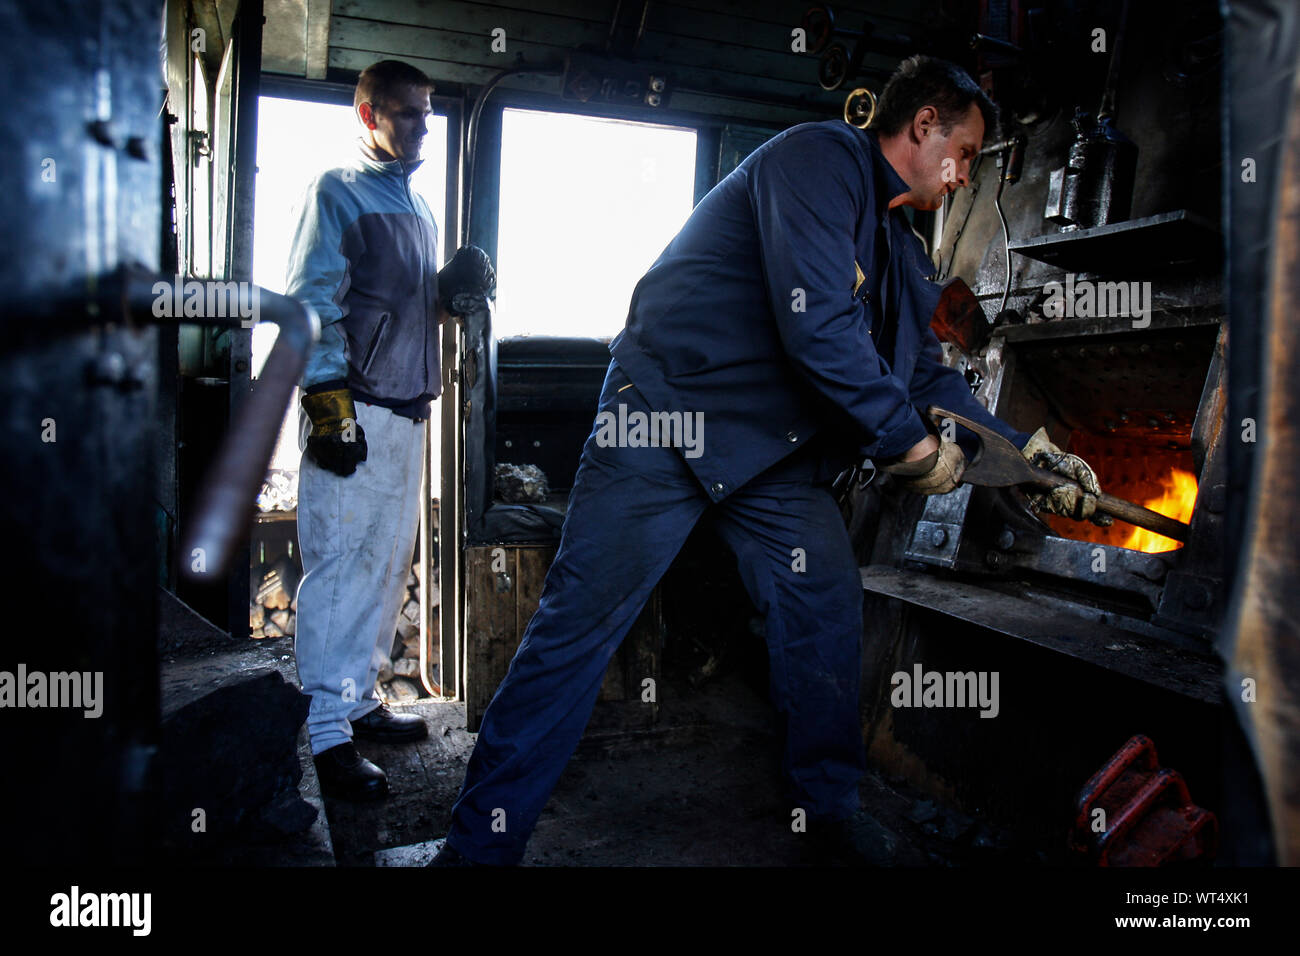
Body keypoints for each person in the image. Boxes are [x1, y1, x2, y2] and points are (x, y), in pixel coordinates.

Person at [431, 54, 1107, 864]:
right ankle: (477, 848)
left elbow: (924, 376)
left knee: (824, 605)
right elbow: (817, 327)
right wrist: (915, 452)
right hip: (664, 417)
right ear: (924, 125)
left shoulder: (901, 247)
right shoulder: (818, 162)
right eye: (963, 151)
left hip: (768, 456)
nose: (965, 175)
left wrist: (1030, 455)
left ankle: (827, 809)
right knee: (577, 628)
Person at [288, 59, 493, 801]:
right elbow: (312, 304)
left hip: (408, 410)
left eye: (428, 112)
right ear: (367, 114)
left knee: (381, 569)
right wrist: (328, 408)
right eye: (407, 112)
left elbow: (410, 312)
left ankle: (361, 700)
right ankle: (324, 732)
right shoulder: (336, 192)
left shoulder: (419, 208)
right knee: (341, 573)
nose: (422, 125)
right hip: (357, 407)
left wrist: (448, 294)